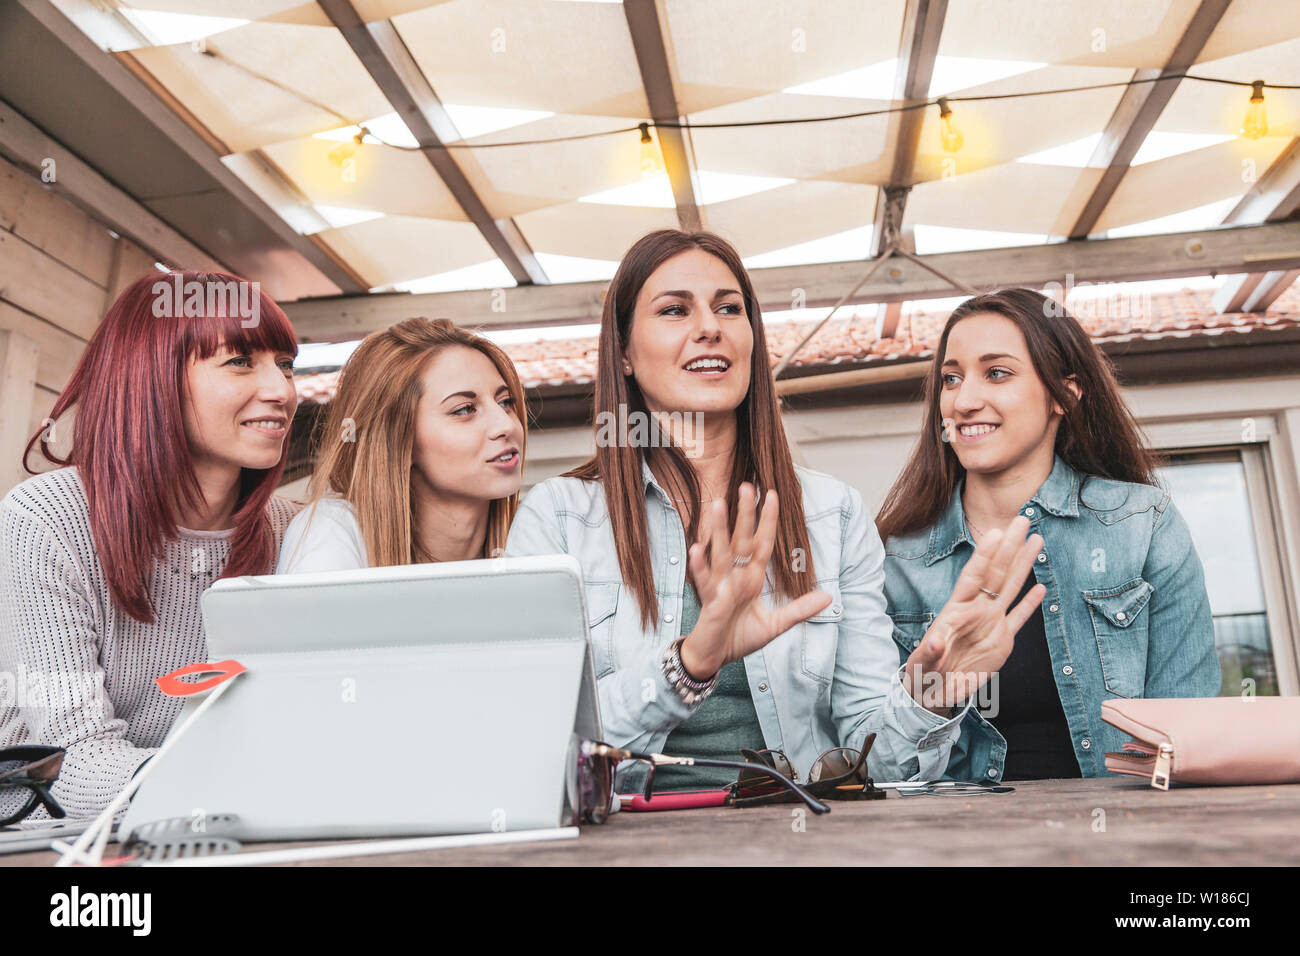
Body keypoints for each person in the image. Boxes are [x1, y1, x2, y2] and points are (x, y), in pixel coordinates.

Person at [506, 229, 1044, 794]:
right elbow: (542, 745)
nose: (710, 327)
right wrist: (690, 664)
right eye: (673, 310)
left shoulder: (833, 515)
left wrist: (931, 694)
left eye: (729, 308)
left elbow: (875, 767)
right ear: (623, 352)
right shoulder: (558, 519)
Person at [876, 288, 1220, 781]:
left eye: (997, 372)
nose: (964, 401)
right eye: (951, 378)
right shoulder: (896, 559)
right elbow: (882, 773)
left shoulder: (1143, 523)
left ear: (1066, 393)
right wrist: (928, 699)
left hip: (1125, 841)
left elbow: (1189, 735)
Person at [0, 270, 300, 820]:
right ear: (152, 378)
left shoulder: (293, 530)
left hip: (220, 828)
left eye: (285, 365)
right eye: (240, 361)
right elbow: (72, 762)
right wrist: (257, 788)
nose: (281, 390)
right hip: (42, 840)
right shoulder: (48, 518)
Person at [276, 318, 525, 573]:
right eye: (464, 410)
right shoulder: (332, 532)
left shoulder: (540, 531)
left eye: (505, 402)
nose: (505, 425)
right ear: (396, 440)